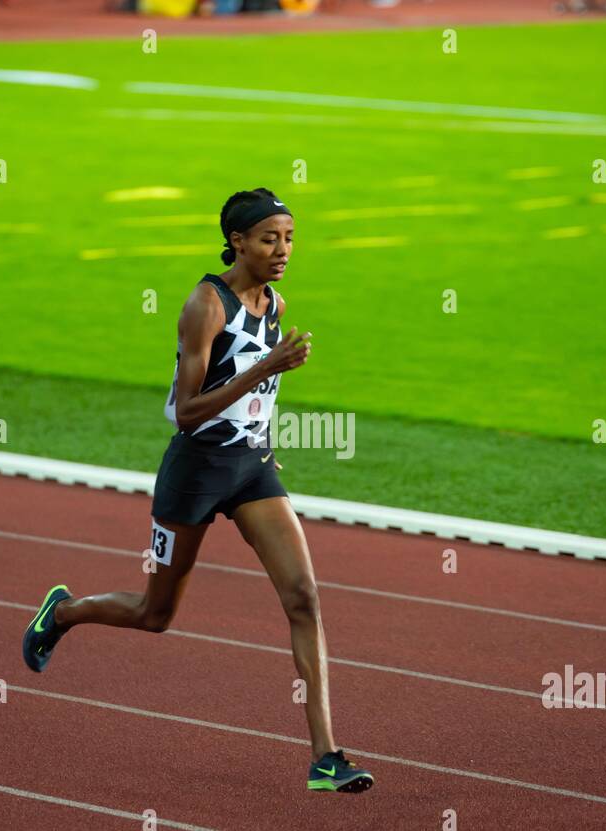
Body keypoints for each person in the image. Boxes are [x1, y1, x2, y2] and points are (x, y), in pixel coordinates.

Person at [22, 187, 374, 794]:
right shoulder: (204, 306)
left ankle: (325, 756)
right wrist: (266, 369)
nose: (283, 249)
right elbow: (187, 412)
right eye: (270, 238)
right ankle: (66, 612)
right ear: (237, 242)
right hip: (194, 470)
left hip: (251, 469)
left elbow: (255, 396)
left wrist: (263, 430)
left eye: (289, 237)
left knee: (304, 598)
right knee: (157, 614)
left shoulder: (274, 304)